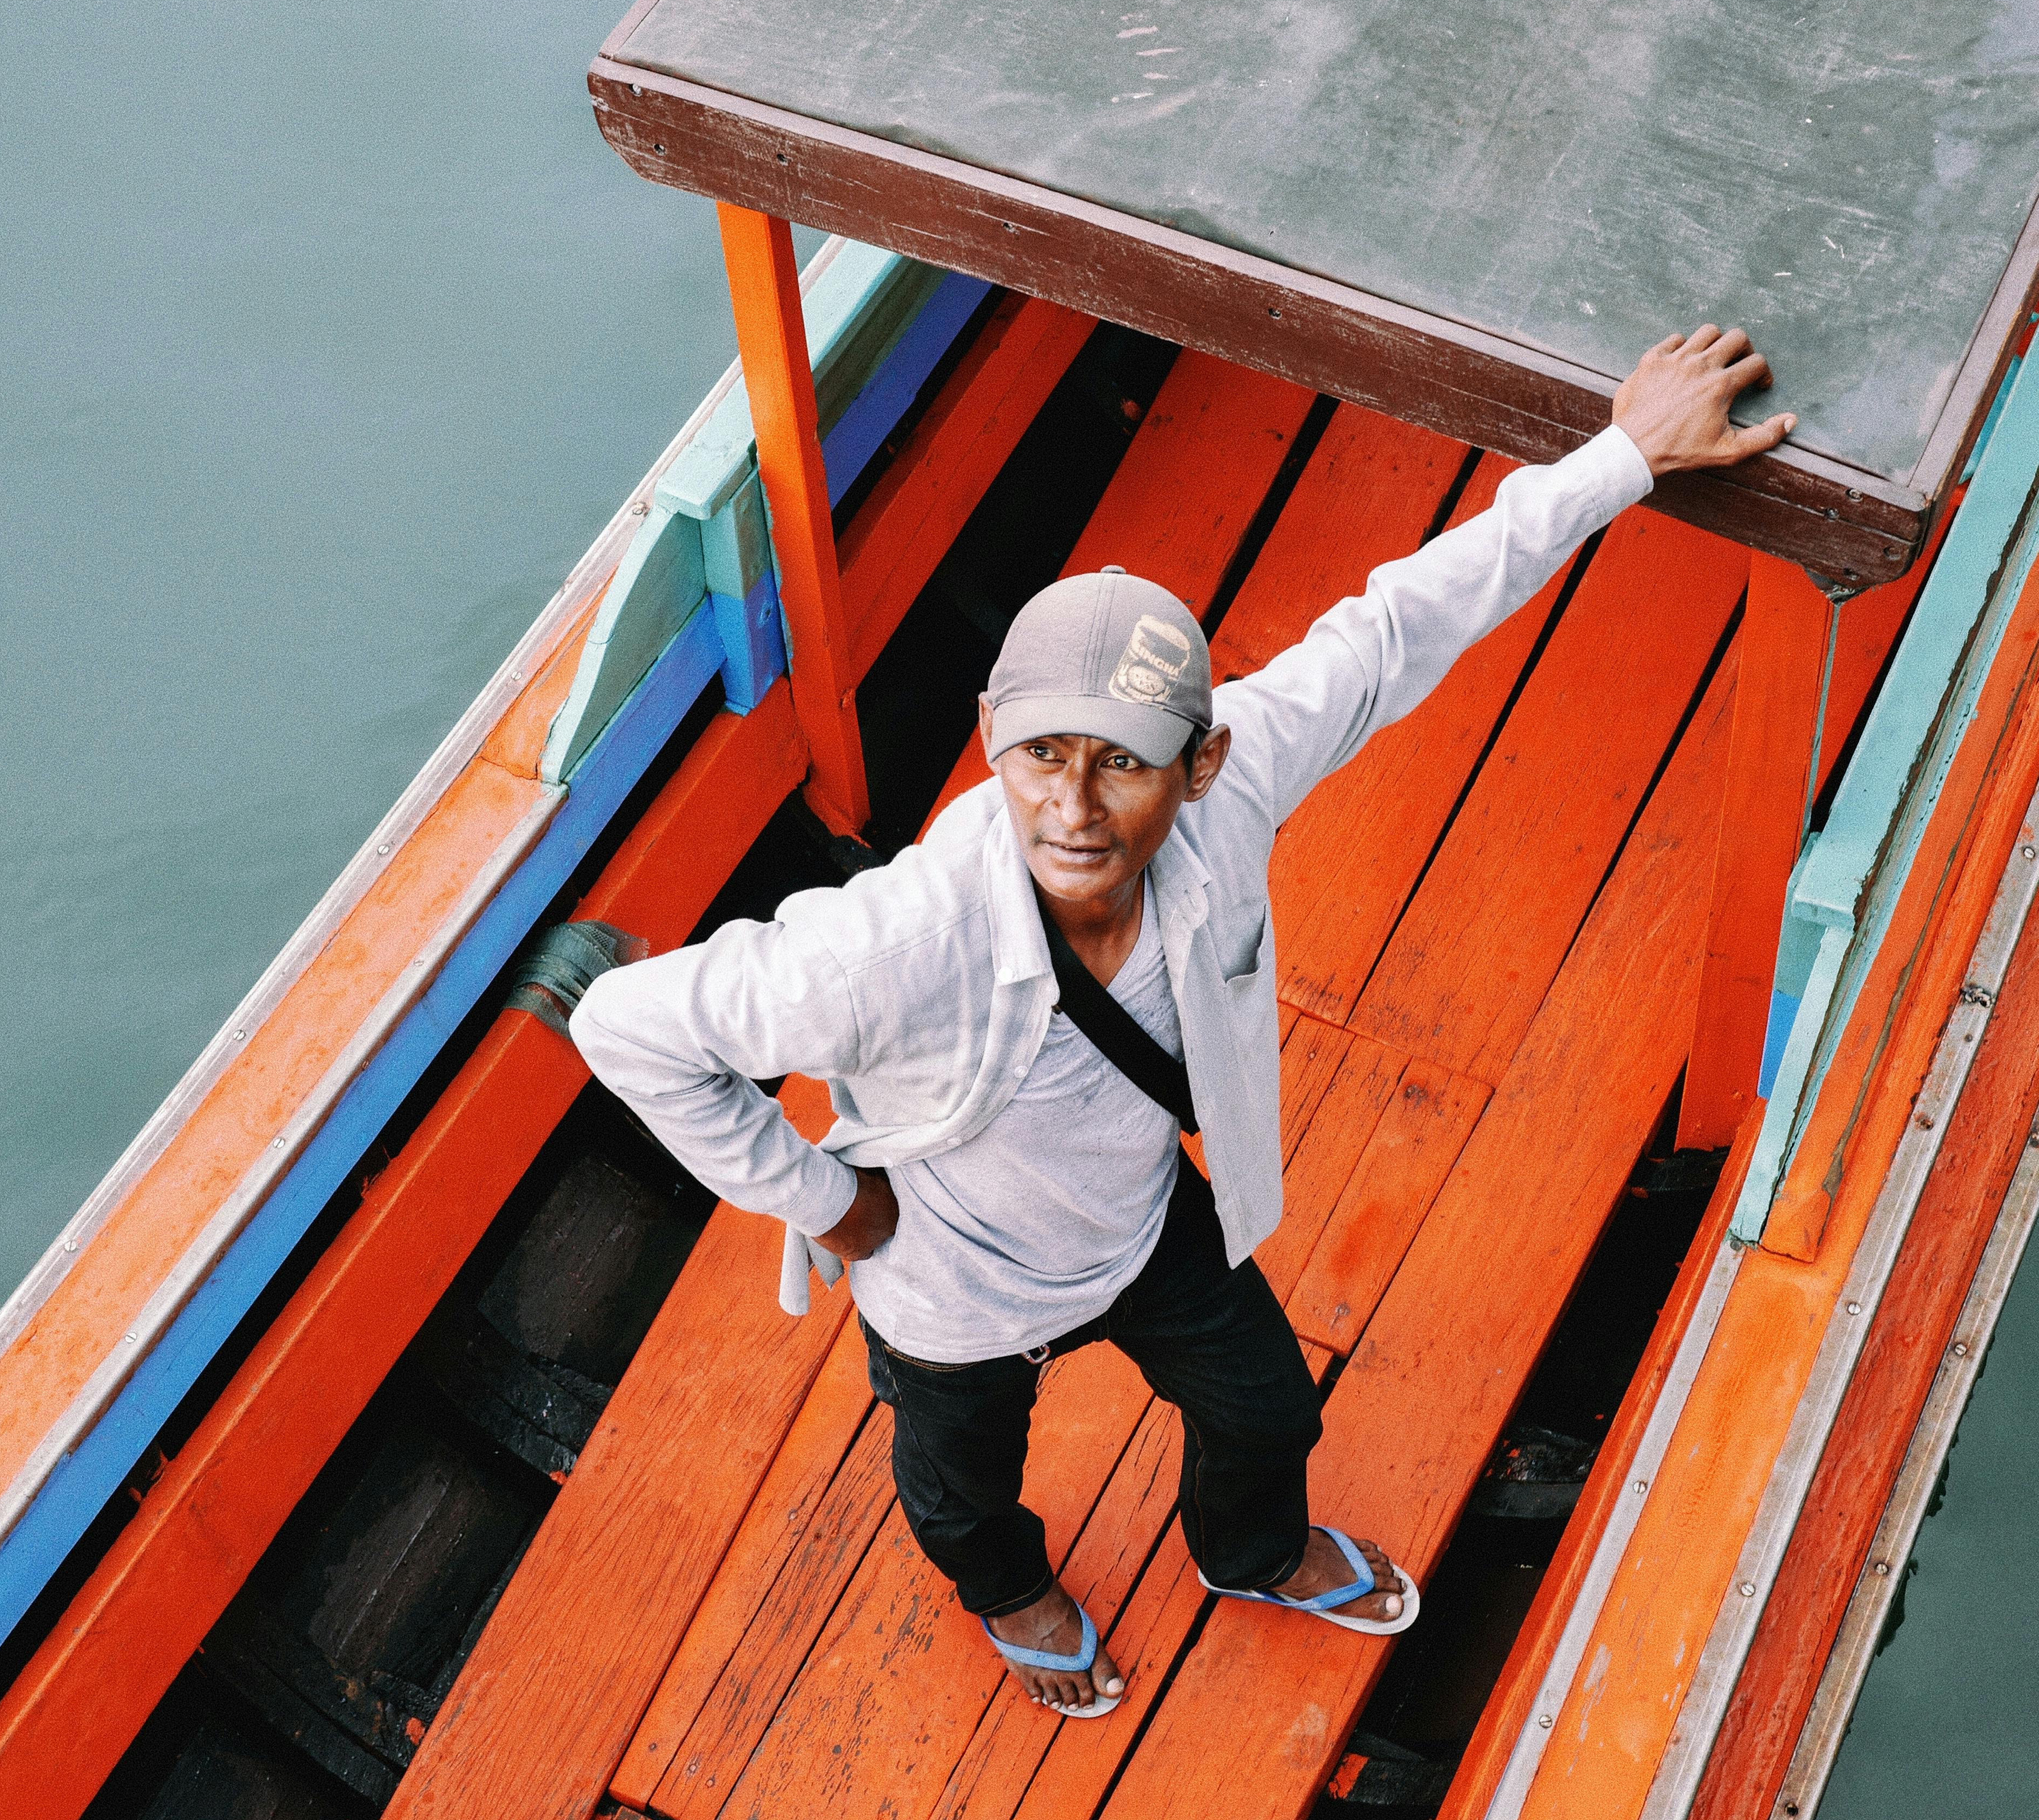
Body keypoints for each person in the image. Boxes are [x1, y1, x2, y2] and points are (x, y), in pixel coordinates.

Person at [573, 325, 1793, 1715]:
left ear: (1202, 762)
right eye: (1040, 756)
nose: (1074, 812)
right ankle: (1011, 1596)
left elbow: (1397, 626)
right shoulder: (884, 948)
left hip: (1140, 1225)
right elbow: (625, 1025)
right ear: (988, 737)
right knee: (959, 1494)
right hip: (949, 1289)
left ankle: (1251, 1553)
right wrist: (822, 1201)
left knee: (1269, 1410)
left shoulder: (1237, 785)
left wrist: (1622, 456)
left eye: (1124, 766)